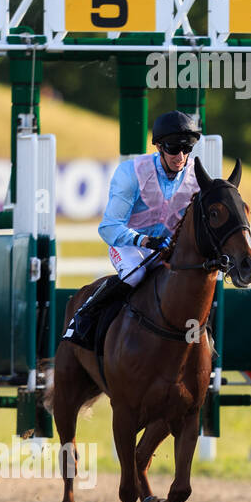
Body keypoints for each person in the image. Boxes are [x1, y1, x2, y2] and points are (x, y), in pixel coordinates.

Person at [63, 111, 202, 348]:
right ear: (158, 146)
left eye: (186, 149)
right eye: (173, 149)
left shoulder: (195, 177)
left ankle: (204, 339)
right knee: (135, 274)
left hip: (167, 251)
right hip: (128, 246)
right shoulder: (131, 173)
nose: (180, 156)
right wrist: (145, 241)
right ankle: (86, 317)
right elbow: (108, 228)